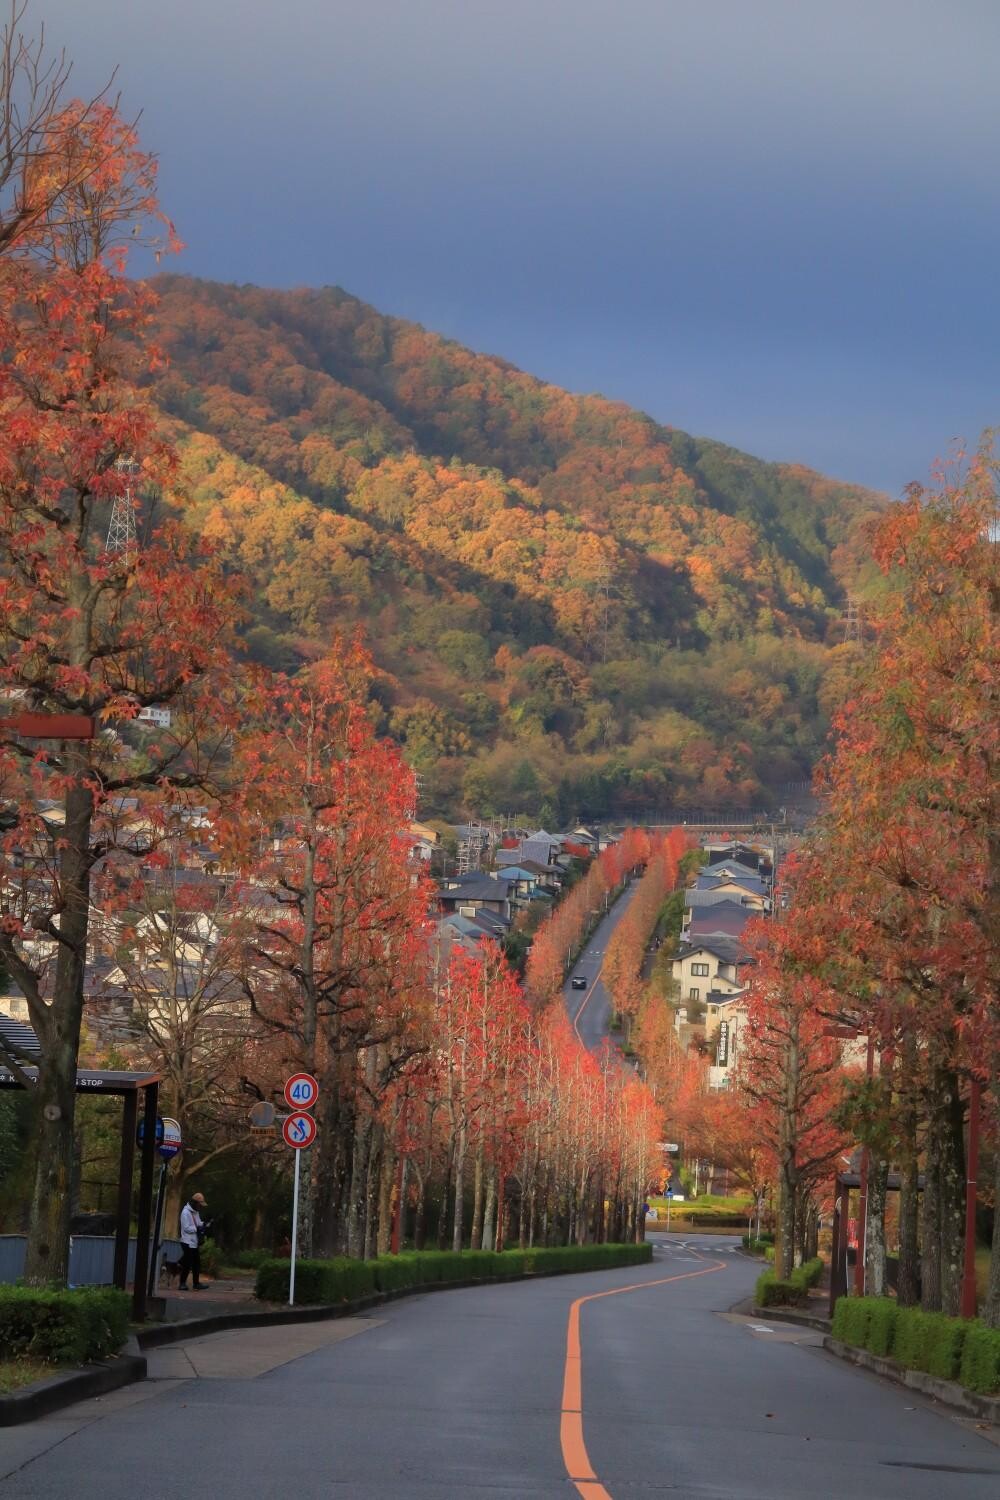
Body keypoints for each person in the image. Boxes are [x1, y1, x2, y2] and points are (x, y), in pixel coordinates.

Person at [179, 1192, 208, 1290]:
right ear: (194, 1203)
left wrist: (204, 1224)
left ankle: (196, 1283)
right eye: (199, 1205)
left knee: (196, 1263)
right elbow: (186, 1228)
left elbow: (198, 1222)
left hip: (194, 1242)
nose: (200, 1207)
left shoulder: (196, 1212)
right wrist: (197, 1228)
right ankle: (182, 1283)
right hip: (186, 1242)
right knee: (187, 1264)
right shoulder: (185, 1212)